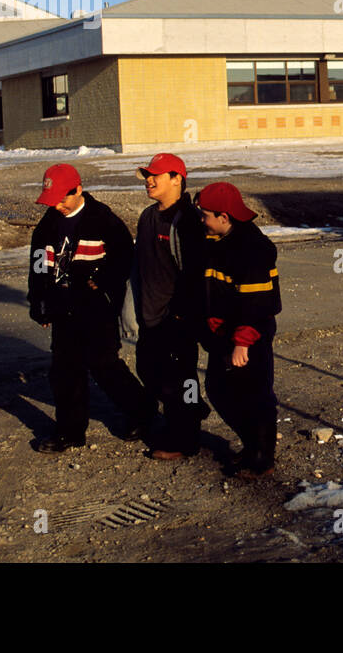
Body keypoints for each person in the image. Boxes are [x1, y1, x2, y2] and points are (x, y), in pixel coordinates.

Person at [27, 163, 152, 453]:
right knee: (64, 370)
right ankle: (70, 431)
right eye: (52, 200)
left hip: (97, 307)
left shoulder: (102, 218)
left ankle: (142, 411)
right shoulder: (47, 223)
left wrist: (103, 282)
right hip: (61, 307)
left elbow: (124, 257)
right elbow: (37, 267)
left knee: (104, 364)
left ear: (78, 190)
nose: (57, 206)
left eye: (62, 199)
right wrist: (39, 304)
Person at [195, 182, 280, 479]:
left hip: (248, 337)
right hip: (225, 335)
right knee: (219, 390)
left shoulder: (251, 249)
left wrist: (242, 343)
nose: (201, 221)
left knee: (255, 395)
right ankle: (251, 444)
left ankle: (261, 458)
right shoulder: (218, 241)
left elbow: (257, 303)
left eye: (205, 215)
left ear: (224, 216)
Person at [131, 152, 208, 459]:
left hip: (177, 317)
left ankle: (185, 440)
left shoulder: (188, 220)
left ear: (177, 179)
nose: (149, 180)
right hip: (150, 315)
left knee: (179, 379)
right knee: (150, 371)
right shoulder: (148, 217)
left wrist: (182, 313)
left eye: (156, 175)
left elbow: (194, 273)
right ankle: (189, 412)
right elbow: (139, 265)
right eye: (147, 175)